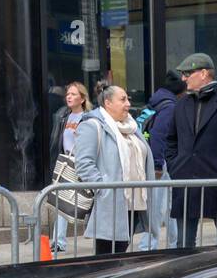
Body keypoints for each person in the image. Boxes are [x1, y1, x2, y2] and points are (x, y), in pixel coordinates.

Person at [163, 53, 217, 247]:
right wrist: (176, 166)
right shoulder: (181, 104)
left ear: (203, 73)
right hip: (185, 180)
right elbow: (172, 140)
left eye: (187, 73)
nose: (183, 78)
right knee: (184, 245)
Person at [75, 84, 163, 255]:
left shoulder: (131, 127)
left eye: (128, 99)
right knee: (106, 256)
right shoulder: (92, 126)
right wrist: (103, 188)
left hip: (133, 201)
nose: (128, 104)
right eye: (122, 99)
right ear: (108, 103)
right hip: (111, 201)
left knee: (120, 252)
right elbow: (84, 163)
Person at [140, 69, 185, 250]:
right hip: (162, 163)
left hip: (158, 162)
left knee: (167, 208)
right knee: (160, 209)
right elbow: (158, 136)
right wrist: (158, 165)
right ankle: (149, 248)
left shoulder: (157, 103)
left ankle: (173, 245)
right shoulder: (170, 107)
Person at [49, 81, 92, 252]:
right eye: (68, 94)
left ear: (82, 98)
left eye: (73, 94)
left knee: (90, 199)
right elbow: (58, 140)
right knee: (62, 200)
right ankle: (58, 242)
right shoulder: (62, 116)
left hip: (84, 163)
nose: (69, 96)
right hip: (67, 162)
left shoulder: (88, 118)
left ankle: (98, 234)